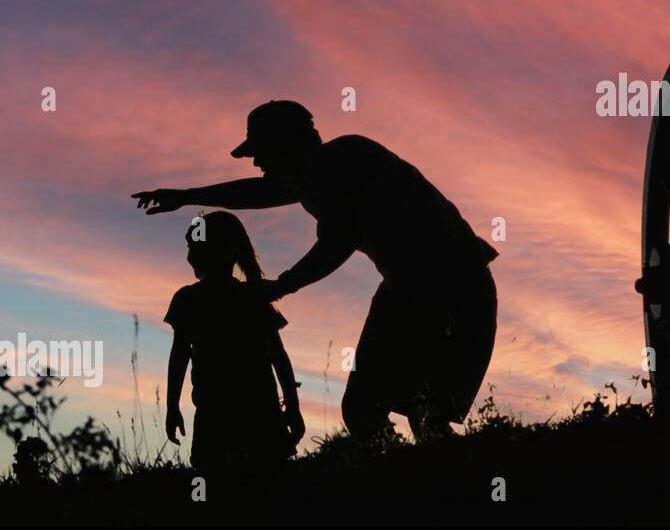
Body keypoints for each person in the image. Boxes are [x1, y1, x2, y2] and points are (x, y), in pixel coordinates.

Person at [136, 101, 498, 442]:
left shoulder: (337, 164)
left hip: (448, 291)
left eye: (260, 151)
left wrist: (282, 285)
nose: (256, 162)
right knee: (387, 410)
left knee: (395, 410)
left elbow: (338, 240)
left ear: (285, 144)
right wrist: (186, 195)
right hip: (422, 289)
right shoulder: (327, 168)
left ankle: (413, 481)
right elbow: (261, 192)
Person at [164, 210, 305, 474]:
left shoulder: (190, 300)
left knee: (221, 491)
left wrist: (172, 407)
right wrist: (293, 407)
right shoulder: (251, 297)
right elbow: (279, 357)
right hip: (253, 415)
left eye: (193, 247)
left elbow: (179, 356)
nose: (189, 255)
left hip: (223, 416)